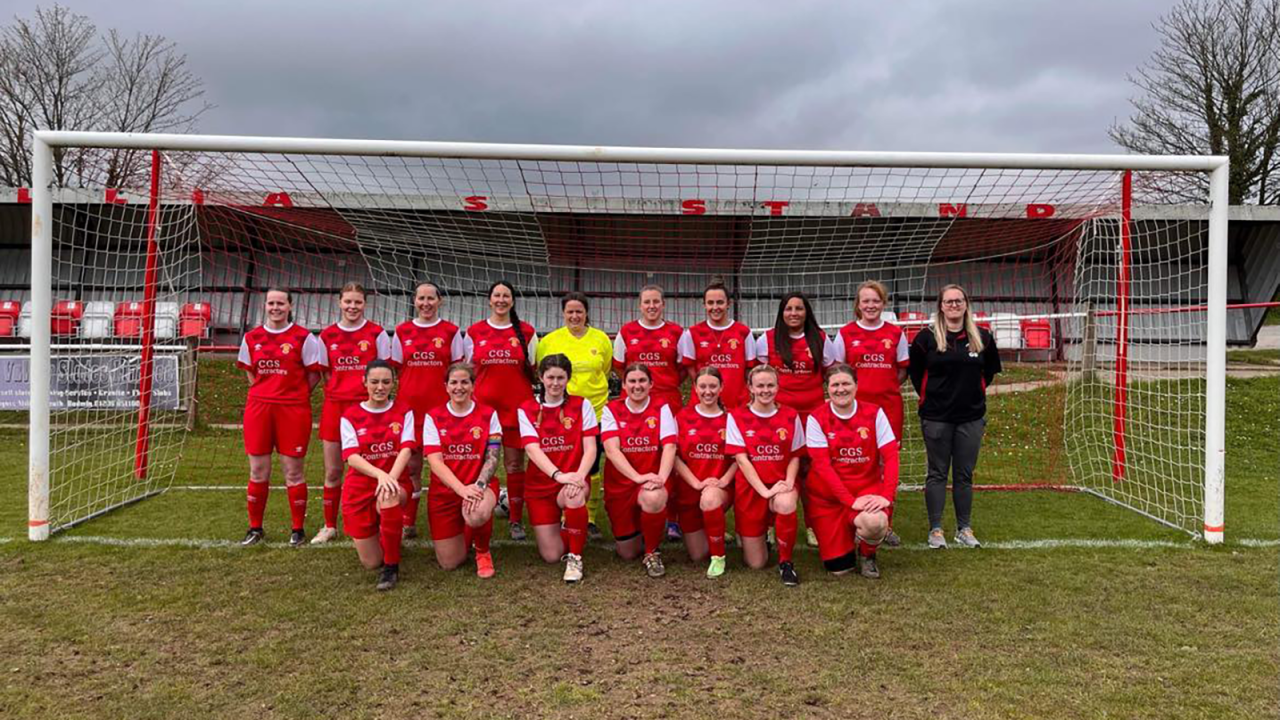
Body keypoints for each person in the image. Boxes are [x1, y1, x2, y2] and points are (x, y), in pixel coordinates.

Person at [908, 284, 1002, 549]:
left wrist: (971, 396)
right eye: (948, 301)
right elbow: (916, 375)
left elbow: (989, 374)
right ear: (940, 305)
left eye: (958, 301)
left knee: (964, 475)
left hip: (971, 417)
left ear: (965, 304)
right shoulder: (925, 338)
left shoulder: (982, 337)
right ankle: (935, 530)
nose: (953, 305)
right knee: (937, 473)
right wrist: (934, 398)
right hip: (936, 417)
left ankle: (964, 529)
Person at [237, 288, 323, 547]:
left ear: (290, 306)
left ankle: (297, 530)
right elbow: (251, 374)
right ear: (265, 306)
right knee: (258, 469)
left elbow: (314, 374)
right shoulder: (252, 338)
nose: (276, 307)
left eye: (281, 303)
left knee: (293, 472)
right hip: (259, 408)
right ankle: (255, 528)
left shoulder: (303, 337)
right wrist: (267, 392)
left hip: (293, 410)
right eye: (271, 303)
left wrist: (293, 395)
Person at [755, 291, 837, 547]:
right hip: (778, 418)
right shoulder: (767, 339)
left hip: (812, 417)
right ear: (781, 313)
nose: (793, 313)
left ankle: (814, 525)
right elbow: (762, 378)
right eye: (788, 309)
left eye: (798, 308)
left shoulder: (821, 339)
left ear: (806, 312)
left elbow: (830, 374)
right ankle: (769, 525)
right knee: (776, 470)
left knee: (812, 474)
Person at [313, 282, 392, 544]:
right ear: (339, 302)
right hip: (336, 406)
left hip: (368, 409)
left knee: (375, 467)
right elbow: (325, 373)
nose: (352, 306)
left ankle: (381, 519)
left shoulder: (377, 333)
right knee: (334, 470)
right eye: (348, 301)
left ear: (365, 304)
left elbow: (384, 374)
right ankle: (329, 526)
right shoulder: (326, 336)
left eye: (357, 302)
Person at [805, 364, 900, 579]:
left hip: (866, 491)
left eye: (846, 383)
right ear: (827, 389)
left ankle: (868, 553)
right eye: (835, 384)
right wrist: (848, 500)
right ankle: (851, 539)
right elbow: (822, 467)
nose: (841, 389)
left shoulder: (874, 413)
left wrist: (886, 496)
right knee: (839, 569)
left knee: (874, 523)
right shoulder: (816, 418)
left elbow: (891, 456)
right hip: (828, 499)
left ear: (856, 386)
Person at [833, 280, 908, 547]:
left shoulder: (895, 333)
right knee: (858, 463)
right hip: (854, 412)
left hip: (888, 409)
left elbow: (901, 370)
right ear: (858, 305)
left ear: (883, 303)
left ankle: (885, 524)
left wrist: (883, 389)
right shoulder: (845, 333)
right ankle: (855, 517)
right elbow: (840, 373)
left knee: (887, 465)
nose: (871, 305)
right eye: (866, 301)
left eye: (875, 300)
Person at [534, 292, 613, 541]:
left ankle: (589, 518)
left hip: (596, 411)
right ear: (563, 313)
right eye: (570, 311)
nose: (575, 316)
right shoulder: (550, 340)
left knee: (592, 464)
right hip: (559, 414)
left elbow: (607, 369)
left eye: (579, 311)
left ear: (586, 313)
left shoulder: (600, 339)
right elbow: (543, 370)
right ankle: (560, 513)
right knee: (563, 460)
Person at [389, 281, 465, 540]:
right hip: (409, 411)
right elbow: (397, 369)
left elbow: (457, 372)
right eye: (421, 298)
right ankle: (408, 521)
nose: (426, 303)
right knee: (411, 466)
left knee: (443, 466)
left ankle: (447, 519)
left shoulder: (451, 331)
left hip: (441, 412)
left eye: (431, 298)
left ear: (440, 301)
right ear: (414, 301)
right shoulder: (402, 331)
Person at [465, 280, 537, 541]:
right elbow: (468, 369)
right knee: (481, 464)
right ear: (489, 299)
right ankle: (472, 511)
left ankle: (516, 520)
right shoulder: (474, 332)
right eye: (497, 295)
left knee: (515, 464)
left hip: (517, 410)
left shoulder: (527, 332)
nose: (501, 299)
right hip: (483, 413)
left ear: (513, 300)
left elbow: (534, 367)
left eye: (506, 295)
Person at [612, 284, 685, 541]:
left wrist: (662, 387)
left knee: (670, 460)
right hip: (634, 404)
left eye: (656, 302)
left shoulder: (676, 332)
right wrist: (638, 389)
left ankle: (672, 519)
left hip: (668, 403)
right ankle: (636, 513)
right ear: (639, 305)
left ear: (663, 304)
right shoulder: (626, 332)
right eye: (647, 302)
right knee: (636, 455)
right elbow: (620, 368)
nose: (652, 306)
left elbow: (683, 368)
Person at [517, 354, 598, 583]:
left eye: (560, 378)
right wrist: (558, 475)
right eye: (550, 377)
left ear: (568, 379)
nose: (555, 383)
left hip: (573, 480)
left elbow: (590, 449)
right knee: (551, 555)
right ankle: (573, 526)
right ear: (541, 377)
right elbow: (533, 450)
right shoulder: (526, 408)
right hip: (541, 485)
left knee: (573, 497)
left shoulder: (582, 405)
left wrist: (579, 478)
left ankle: (575, 557)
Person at [338, 360, 415, 591]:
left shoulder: (404, 411)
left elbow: (406, 448)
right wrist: (380, 474)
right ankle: (387, 534)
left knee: (388, 496)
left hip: (395, 481)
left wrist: (389, 478)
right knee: (371, 562)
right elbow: (351, 457)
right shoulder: (350, 415)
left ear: (393, 384)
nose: (380, 387)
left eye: (385, 382)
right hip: (360, 487)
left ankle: (391, 567)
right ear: (365, 383)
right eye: (374, 382)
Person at [726, 365, 806, 586]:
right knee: (756, 563)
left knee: (786, 503)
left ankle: (786, 563)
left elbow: (795, 456)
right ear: (750, 387)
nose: (765, 390)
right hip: (752, 488)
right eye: (760, 385)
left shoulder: (791, 415)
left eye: (770, 385)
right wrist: (765, 491)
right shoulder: (737, 416)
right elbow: (742, 460)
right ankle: (765, 536)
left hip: (780, 483)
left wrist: (789, 483)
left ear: (778, 387)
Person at [422, 363, 503, 577]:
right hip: (445, 493)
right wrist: (460, 489)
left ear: (473, 386)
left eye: (465, 382)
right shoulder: (433, 416)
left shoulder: (488, 414)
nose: (459, 387)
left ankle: (483, 552)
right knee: (450, 562)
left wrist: (478, 486)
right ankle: (467, 529)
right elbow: (435, 461)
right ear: (446, 387)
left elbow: (493, 457)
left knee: (476, 514)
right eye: (454, 382)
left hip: (478, 486)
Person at [600, 363, 678, 578]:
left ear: (651, 384)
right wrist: (637, 477)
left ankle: (652, 551)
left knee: (653, 498)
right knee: (627, 553)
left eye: (642, 381)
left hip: (652, 481)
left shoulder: (661, 407)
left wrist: (661, 478)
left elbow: (670, 446)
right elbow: (611, 450)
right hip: (621, 485)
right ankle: (643, 532)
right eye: (632, 381)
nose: (637, 386)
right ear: (623, 385)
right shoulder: (611, 409)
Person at [674, 367, 738, 578]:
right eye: (703, 386)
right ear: (695, 388)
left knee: (710, 499)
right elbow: (673, 457)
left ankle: (718, 557)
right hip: (690, 489)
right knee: (697, 554)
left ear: (721, 388)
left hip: (719, 488)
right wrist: (696, 483)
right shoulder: (682, 417)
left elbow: (740, 458)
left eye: (713, 386)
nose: (707, 391)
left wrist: (721, 482)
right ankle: (713, 533)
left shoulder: (731, 419)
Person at [678, 279, 756, 408]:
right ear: (704, 305)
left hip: (737, 403)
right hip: (703, 403)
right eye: (710, 303)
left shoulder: (743, 332)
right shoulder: (692, 333)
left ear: (728, 304)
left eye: (720, 302)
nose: (715, 307)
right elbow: (690, 367)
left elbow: (749, 369)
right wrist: (703, 387)